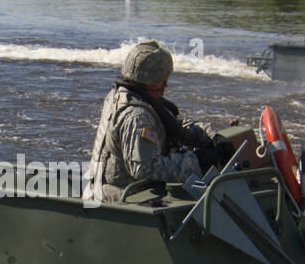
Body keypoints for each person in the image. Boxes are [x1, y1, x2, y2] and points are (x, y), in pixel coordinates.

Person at [83, 41, 230, 203]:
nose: (166, 85)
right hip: (120, 196)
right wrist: (197, 161)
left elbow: (172, 124)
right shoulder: (137, 116)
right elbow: (144, 167)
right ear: (152, 82)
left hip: (114, 189)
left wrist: (210, 136)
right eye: (163, 81)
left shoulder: (122, 95)